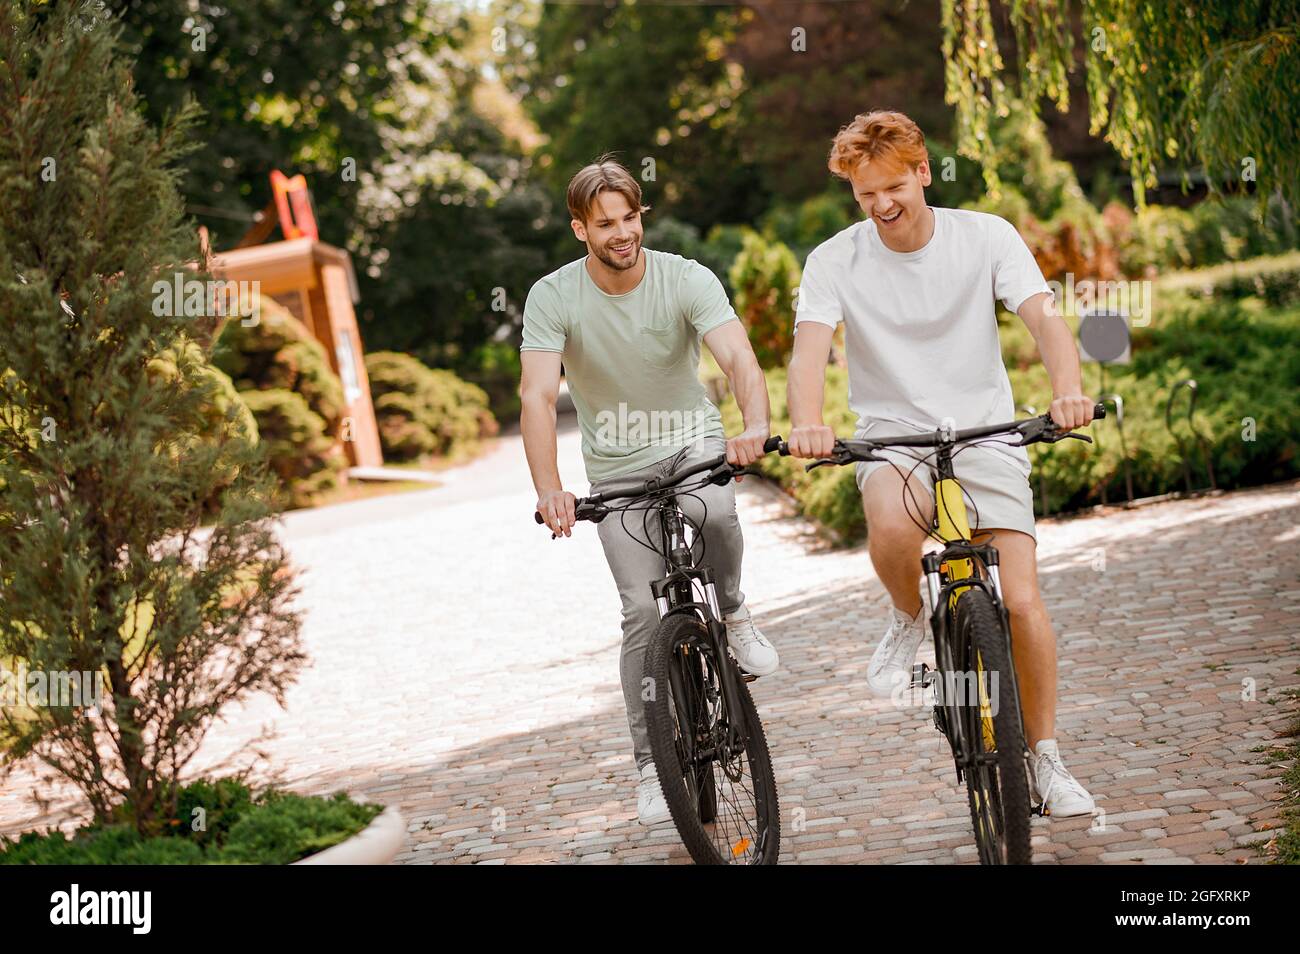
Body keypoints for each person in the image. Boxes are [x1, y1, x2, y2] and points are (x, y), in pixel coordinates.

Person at [785, 111, 1096, 817]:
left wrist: (1067, 391)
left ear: (924, 171)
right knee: (894, 529)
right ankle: (907, 616)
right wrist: (807, 421)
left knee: (1020, 604)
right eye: (867, 195)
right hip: (894, 437)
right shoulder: (835, 259)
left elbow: (1044, 318)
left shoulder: (985, 236)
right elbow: (808, 350)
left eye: (894, 186)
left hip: (985, 432)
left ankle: (1046, 762)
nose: (883, 204)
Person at [519, 157, 780, 825]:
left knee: (716, 511)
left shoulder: (686, 279)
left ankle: (736, 610)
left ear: (641, 216)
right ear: (581, 229)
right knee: (640, 611)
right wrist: (551, 489)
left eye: (629, 218)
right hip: (615, 469)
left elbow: (738, 358)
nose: (622, 233)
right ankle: (648, 767)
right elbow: (539, 396)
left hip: (690, 440)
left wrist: (754, 429)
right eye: (605, 224)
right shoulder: (554, 296)